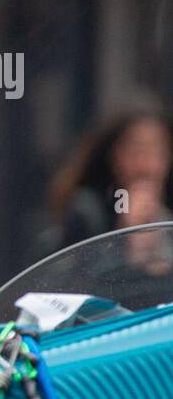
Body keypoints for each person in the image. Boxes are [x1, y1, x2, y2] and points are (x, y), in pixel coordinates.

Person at [40, 107, 173, 274]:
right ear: (115, 156)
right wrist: (126, 236)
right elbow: (71, 281)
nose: (145, 163)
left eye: (157, 151)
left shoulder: (167, 206)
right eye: (136, 151)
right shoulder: (88, 212)